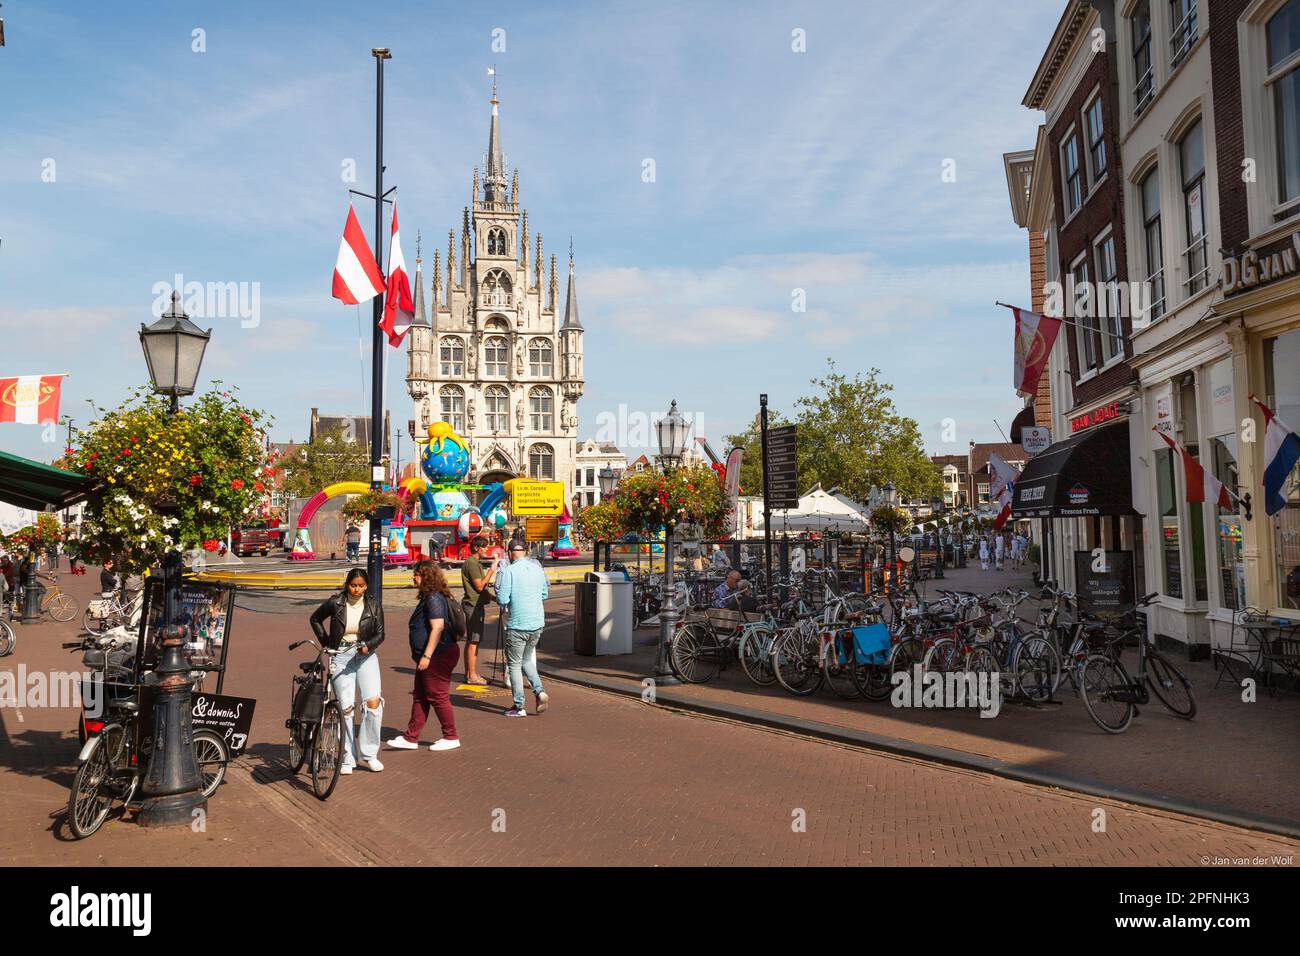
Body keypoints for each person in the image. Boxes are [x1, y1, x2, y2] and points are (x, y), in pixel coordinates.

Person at [309, 568, 386, 774]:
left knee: (373, 704)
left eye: (361, 586)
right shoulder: (336, 602)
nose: (357, 590)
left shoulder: (373, 605)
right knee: (346, 708)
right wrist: (327, 643)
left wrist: (368, 645)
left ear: (367, 586)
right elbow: (315, 619)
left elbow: (380, 633)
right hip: (341, 655)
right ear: (347, 584)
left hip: (365, 656)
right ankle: (347, 757)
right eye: (353, 585)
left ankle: (370, 754)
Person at [389, 559, 461, 750]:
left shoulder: (434, 598)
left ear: (426, 577)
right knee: (420, 695)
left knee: (438, 696)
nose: (414, 577)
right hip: (433, 654)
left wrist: (427, 656)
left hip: (438, 654)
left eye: (417, 574)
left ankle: (451, 736)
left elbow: (437, 628)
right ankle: (411, 737)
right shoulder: (430, 597)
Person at [495, 540, 549, 718]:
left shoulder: (509, 570)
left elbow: (502, 599)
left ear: (510, 553)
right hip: (537, 623)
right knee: (527, 660)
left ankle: (519, 706)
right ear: (525, 552)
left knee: (515, 664)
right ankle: (539, 691)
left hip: (518, 624)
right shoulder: (537, 568)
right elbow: (544, 594)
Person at [460, 535, 496, 685]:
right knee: (474, 640)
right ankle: (472, 676)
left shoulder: (474, 563)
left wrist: (494, 598)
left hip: (474, 604)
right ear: (476, 548)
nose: (486, 549)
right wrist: (491, 571)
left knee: (471, 640)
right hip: (473, 606)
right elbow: (479, 586)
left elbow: (481, 589)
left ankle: (469, 673)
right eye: (484, 547)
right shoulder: (472, 564)